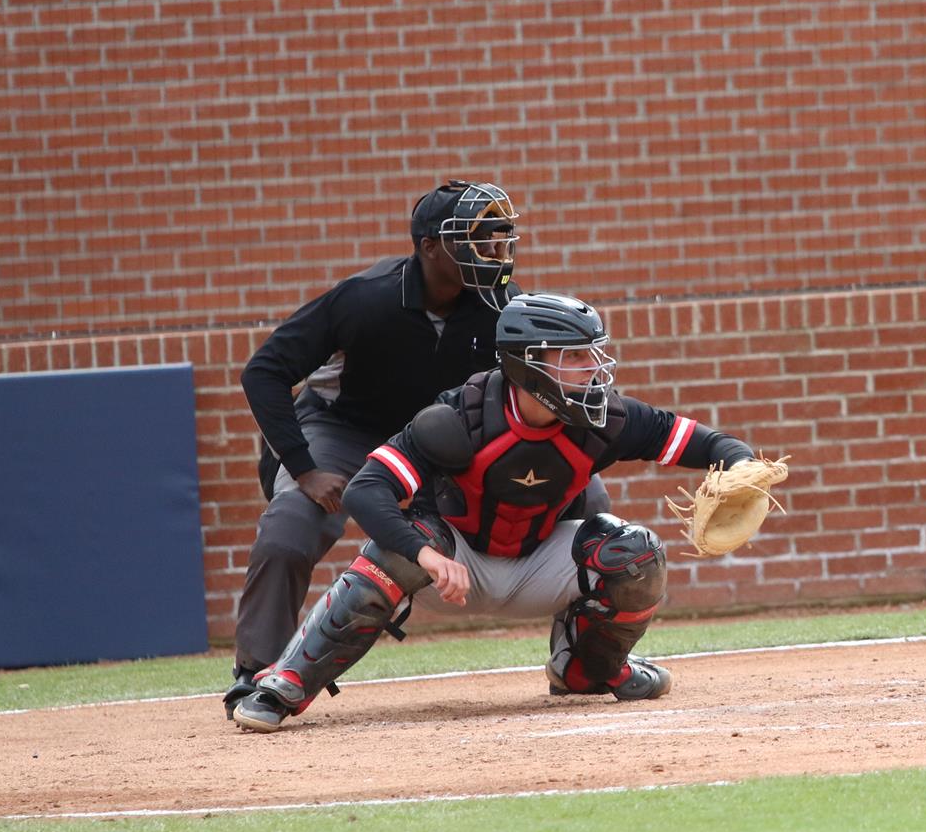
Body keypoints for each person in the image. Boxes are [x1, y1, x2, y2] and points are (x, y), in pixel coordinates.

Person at [231, 292, 760, 732]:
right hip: (451, 567)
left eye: (594, 354)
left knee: (635, 553)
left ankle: (587, 671)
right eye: (575, 357)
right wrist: (426, 555)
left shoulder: (609, 417)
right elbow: (366, 490)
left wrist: (740, 464)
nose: (594, 370)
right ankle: (285, 685)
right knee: (398, 544)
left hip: (536, 564)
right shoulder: (458, 417)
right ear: (529, 364)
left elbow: (700, 439)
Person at [223, 180, 571, 718]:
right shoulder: (366, 298)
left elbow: (543, 388)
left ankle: (582, 655)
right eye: (479, 241)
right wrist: (305, 468)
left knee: (582, 493)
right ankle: (257, 673)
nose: (496, 255)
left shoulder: (506, 306)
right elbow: (264, 371)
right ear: (430, 246)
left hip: (447, 437)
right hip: (346, 431)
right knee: (292, 521)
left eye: (501, 241)